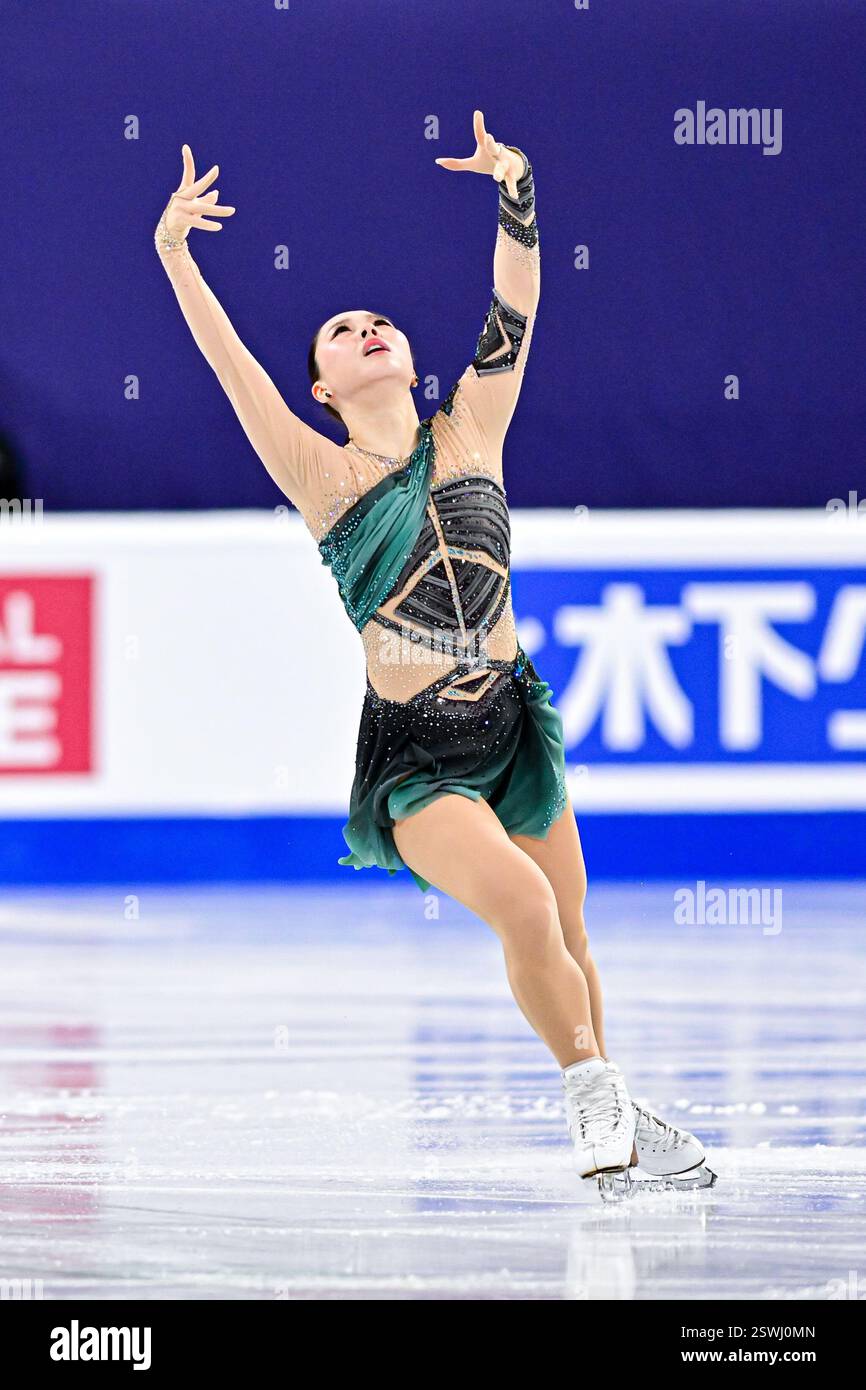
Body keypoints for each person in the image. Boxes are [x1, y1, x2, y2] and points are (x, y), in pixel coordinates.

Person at [153, 114, 710, 1188]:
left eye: (379, 321)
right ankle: (592, 1100)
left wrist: (516, 184)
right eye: (339, 329)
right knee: (525, 906)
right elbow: (231, 372)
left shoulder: (471, 428)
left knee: (571, 929)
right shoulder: (319, 478)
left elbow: (517, 302)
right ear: (318, 384)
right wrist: (176, 252)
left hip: (511, 723)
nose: (367, 329)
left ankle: (616, 1107)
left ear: (407, 361)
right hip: (416, 760)